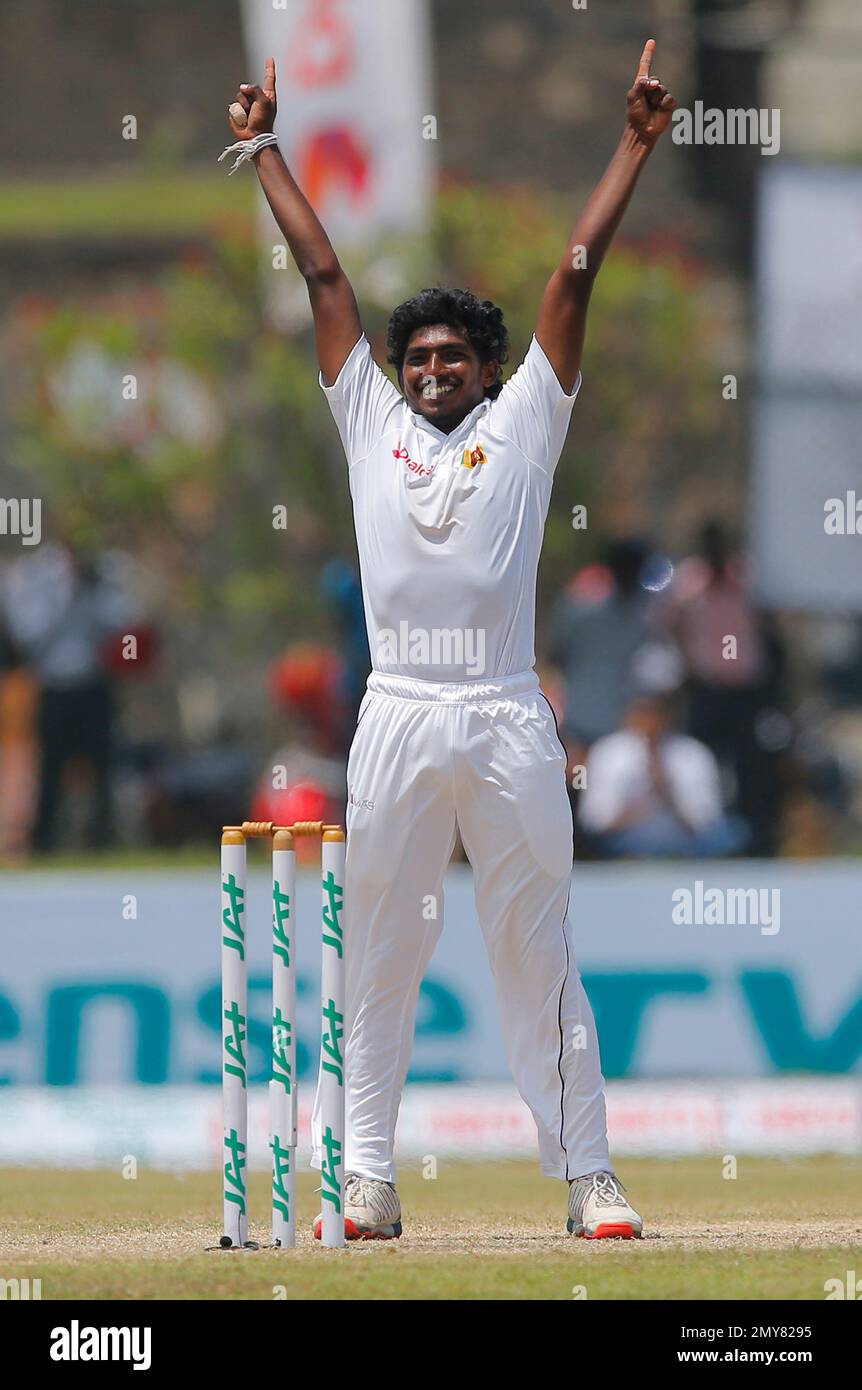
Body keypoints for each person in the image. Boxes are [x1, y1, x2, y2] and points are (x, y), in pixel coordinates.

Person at [223, 39, 678, 1241]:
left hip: (504, 710)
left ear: (485, 372)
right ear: (396, 371)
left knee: (538, 955)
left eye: (451, 356)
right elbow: (325, 280)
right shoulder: (367, 419)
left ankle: (589, 1179)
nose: (430, 366)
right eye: (415, 354)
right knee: (379, 953)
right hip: (398, 709)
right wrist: (264, 150)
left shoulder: (524, 425)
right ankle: (364, 1181)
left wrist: (631, 146)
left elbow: (570, 285)